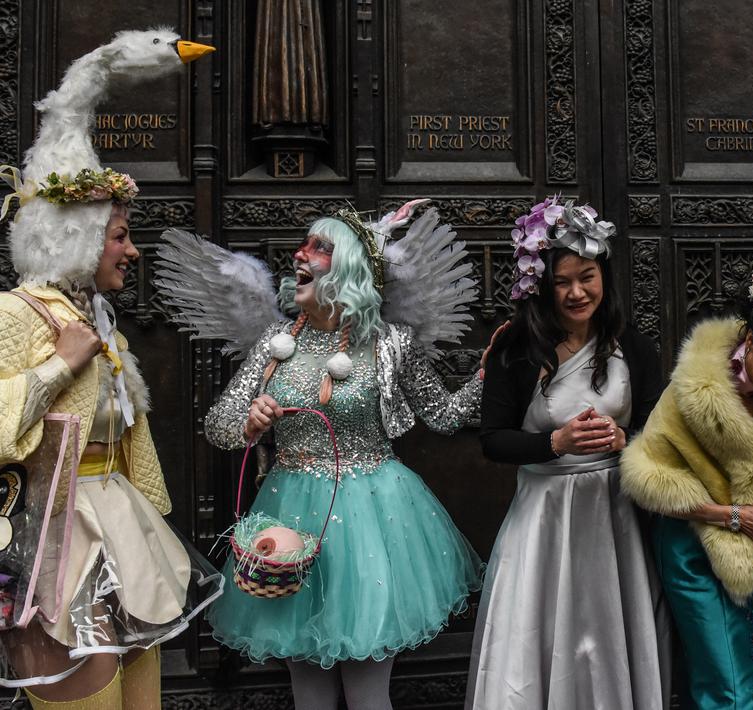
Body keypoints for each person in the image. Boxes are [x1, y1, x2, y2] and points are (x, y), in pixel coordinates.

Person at [156, 199, 492, 709]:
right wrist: (250, 423)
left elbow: (443, 417)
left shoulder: (389, 344)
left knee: (367, 691)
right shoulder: (275, 342)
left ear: (353, 267)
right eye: (304, 245)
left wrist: (491, 376)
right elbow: (219, 428)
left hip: (376, 520)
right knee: (307, 688)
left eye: (319, 248)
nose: (300, 256)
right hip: (289, 516)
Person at [0, 29, 219, 709]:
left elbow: (123, 442)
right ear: (77, 238)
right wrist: (56, 368)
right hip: (56, 552)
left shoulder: (97, 319)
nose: (131, 251)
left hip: (121, 534)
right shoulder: (16, 314)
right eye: (119, 235)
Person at [465, 196, 669, 709]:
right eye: (563, 281)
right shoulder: (516, 345)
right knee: (537, 630)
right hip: (544, 512)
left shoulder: (632, 345)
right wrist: (553, 443)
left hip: (614, 512)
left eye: (588, 277)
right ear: (542, 284)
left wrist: (627, 442)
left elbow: (659, 433)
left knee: (606, 629)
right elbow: (492, 438)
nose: (577, 292)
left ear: (604, 276)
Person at [621, 268, 753, 710]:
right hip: (692, 545)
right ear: (750, 342)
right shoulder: (693, 389)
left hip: (752, 552)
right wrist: (734, 516)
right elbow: (648, 479)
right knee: (724, 677)